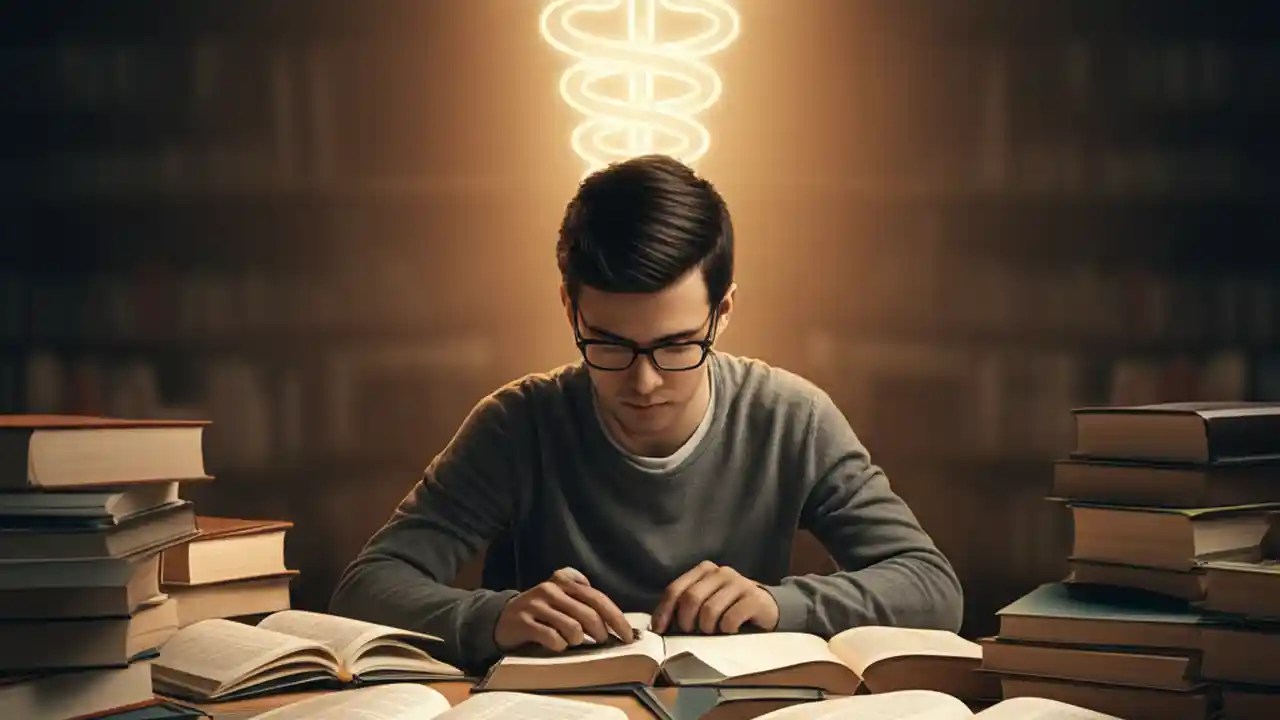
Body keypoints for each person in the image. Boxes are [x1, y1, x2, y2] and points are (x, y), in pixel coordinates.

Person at [330, 154, 963, 672]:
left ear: (725, 312)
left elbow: (933, 587)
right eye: (607, 343)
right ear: (570, 309)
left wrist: (778, 604)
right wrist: (490, 618)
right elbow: (366, 586)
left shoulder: (791, 419)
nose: (644, 380)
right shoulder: (517, 424)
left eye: (677, 345)